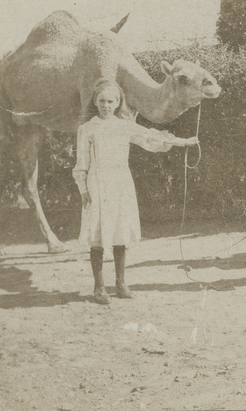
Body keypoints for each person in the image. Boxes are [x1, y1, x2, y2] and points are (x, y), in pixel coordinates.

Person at [73, 78, 198, 305]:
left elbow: (151, 138)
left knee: (120, 230)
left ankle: (121, 284)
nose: (106, 105)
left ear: (119, 102)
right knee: (98, 234)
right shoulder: (87, 129)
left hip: (121, 181)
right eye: (102, 100)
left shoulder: (124, 126)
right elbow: (81, 163)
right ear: (95, 101)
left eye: (111, 101)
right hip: (98, 182)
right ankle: (99, 287)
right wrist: (83, 189)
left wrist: (183, 142)